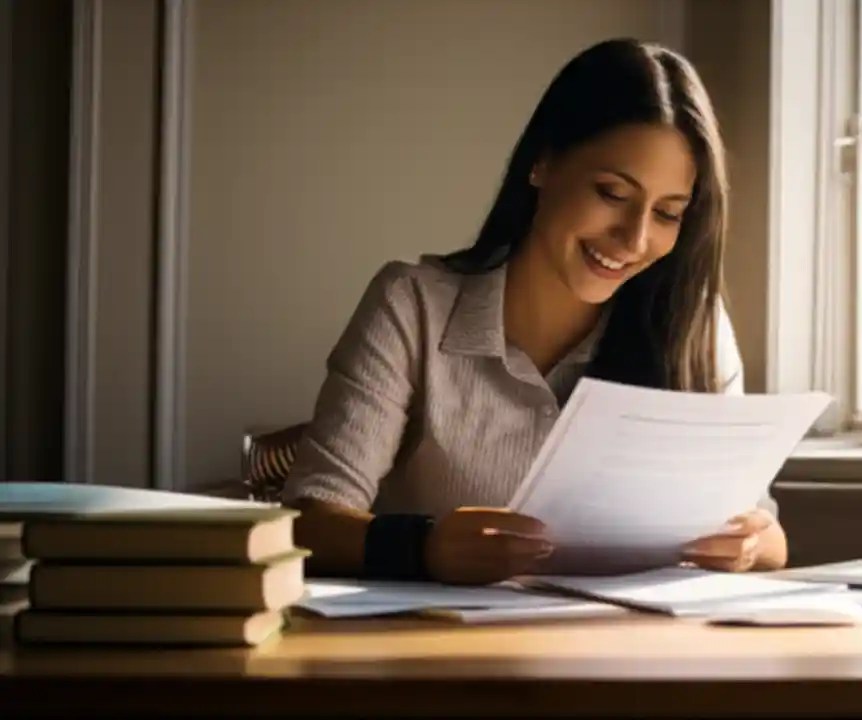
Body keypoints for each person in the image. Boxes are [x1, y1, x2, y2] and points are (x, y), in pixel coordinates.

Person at [282, 38, 787, 585]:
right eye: (612, 194)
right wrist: (424, 546)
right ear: (543, 163)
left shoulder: (694, 324)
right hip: (447, 650)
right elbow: (307, 523)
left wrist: (744, 544)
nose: (635, 239)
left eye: (667, 213)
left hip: (637, 655)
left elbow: (769, 537)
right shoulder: (413, 305)